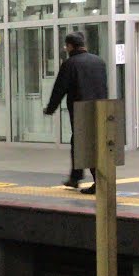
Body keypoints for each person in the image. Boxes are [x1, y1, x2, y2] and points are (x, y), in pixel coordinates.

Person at [44, 31, 108, 195]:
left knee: (85, 145)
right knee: (87, 143)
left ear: (70, 46)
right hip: (101, 108)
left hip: (81, 110)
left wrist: (50, 108)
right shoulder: (99, 61)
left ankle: (98, 182)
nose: (66, 49)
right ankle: (76, 176)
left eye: (66, 46)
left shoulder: (70, 64)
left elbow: (60, 89)